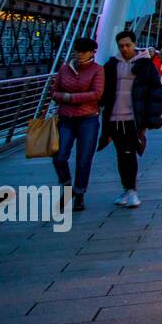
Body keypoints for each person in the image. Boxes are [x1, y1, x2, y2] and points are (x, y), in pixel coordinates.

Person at [99, 30, 162, 208]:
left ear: (135, 44)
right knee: (121, 155)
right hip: (114, 118)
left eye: (128, 45)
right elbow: (103, 90)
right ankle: (127, 189)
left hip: (133, 118)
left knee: (129, 152)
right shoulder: (111, 65)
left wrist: (151, 120)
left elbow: (155, 93)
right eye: (121, 46)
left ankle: (132, 190)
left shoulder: (145, 65)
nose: (124, 49)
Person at [51, 37, 104, 212]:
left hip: (88, 119)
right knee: (59, 157)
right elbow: (54, 92)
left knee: (84, 159)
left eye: (83, 51)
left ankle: (79, 194)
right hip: (66, 118)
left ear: (92, 52)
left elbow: (96, 94)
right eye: (77, 51)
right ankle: (67, 187)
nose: (79, 54)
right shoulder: (64, 69)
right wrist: (67, 97)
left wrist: (69, 97)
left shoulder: (97, 70)